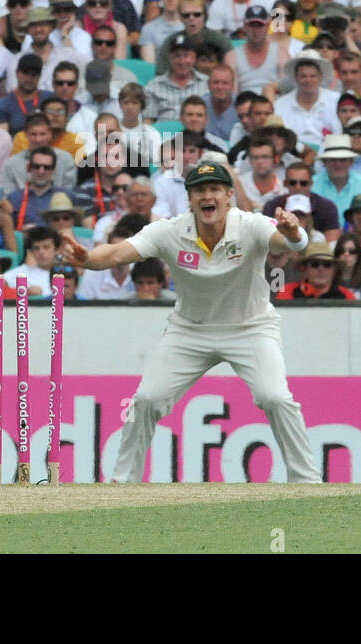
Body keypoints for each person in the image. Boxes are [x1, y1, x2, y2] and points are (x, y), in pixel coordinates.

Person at [62, 161, 320, 483]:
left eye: (214, 189)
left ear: (229, 196)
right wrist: (86, 259)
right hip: (189, 330)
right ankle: (122, 481)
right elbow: (116, 254)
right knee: (146, 400)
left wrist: (293, 233)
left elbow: (291, 244)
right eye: (199, 190)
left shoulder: (251, 225)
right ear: (190, 199)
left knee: (276, 398)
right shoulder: (170, 231)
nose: (206, 196)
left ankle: (307, 482)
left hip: (250, 327)